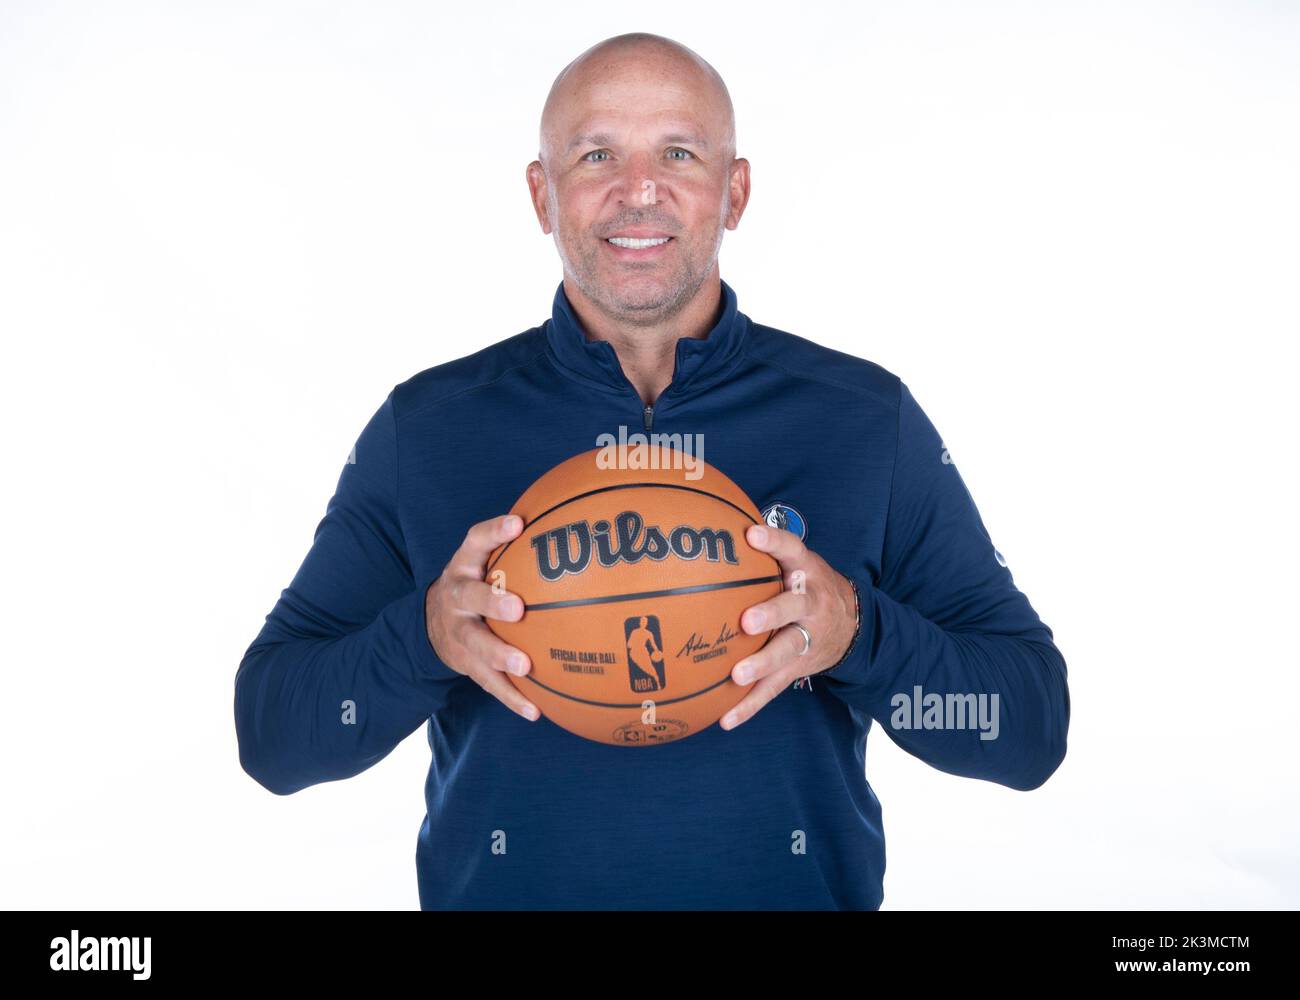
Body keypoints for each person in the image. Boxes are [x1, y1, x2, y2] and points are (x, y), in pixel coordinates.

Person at [234, 32, 1070, 910]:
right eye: (597, 155)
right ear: (542, 195)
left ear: (735, 191)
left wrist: (860, 635)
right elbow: (273, 738)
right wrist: (424, 638)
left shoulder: (863, 418)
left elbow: (1027, 731)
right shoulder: (429, 427)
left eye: (679, 152)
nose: (639, 190)